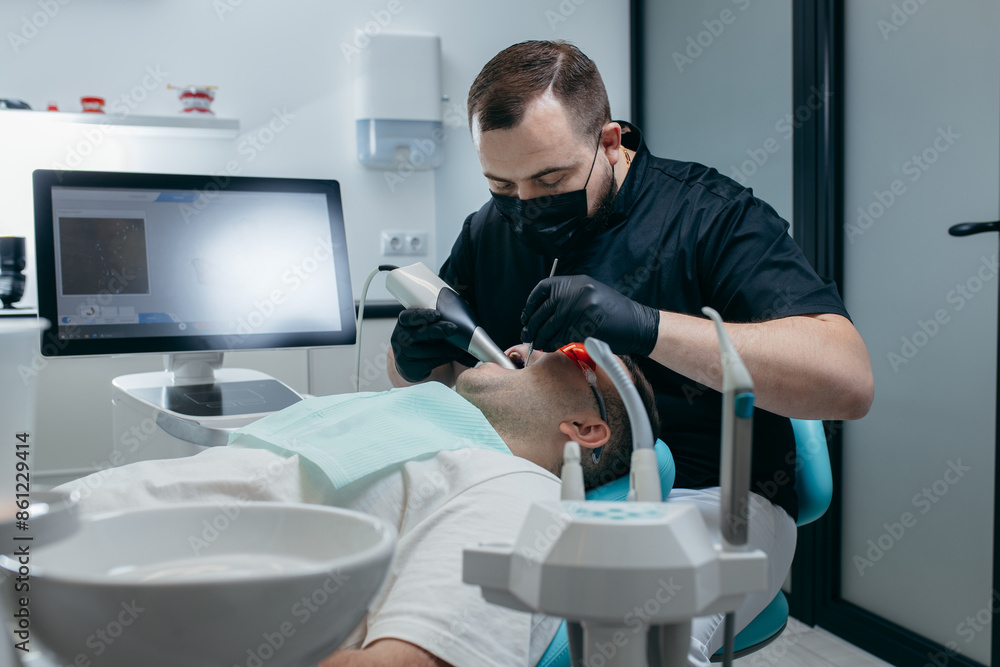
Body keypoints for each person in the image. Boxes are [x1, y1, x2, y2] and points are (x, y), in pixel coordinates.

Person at [386, 40, 875, 664]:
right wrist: (416, 358)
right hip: (534, 488)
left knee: (637, 636)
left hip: (707, 497)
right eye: (501, 184)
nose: (525, 205)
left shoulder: (710, 216)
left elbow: (848, 381)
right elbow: (463, 374)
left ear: (611, 142)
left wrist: (647, 327)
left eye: (551, 179)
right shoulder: (491, 227)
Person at [57, 343, 659, 667]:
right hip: (47, 540)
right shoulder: (406, 427)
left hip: (68, 618)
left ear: (587, 429)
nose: (528, 345)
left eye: (574, 354)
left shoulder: (516, 489)